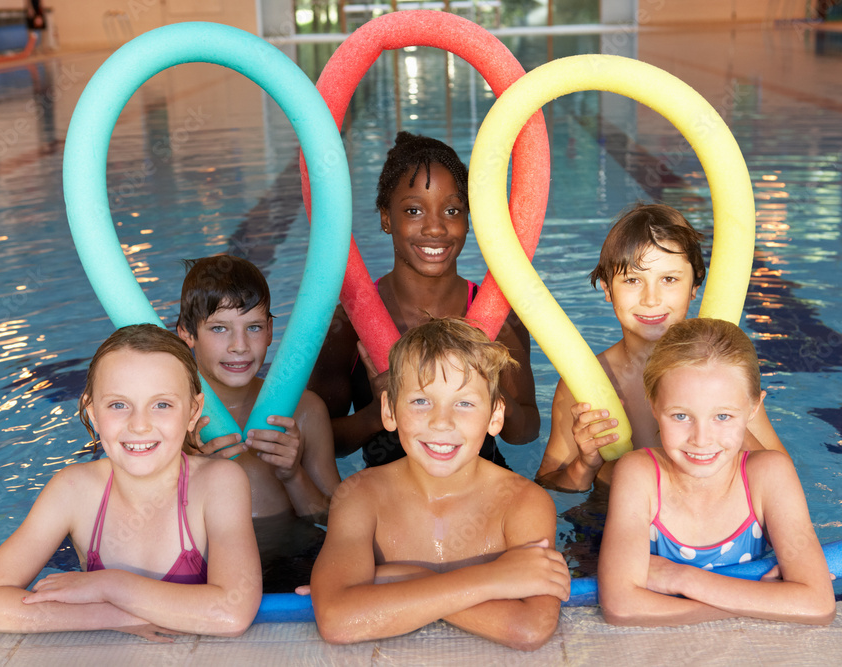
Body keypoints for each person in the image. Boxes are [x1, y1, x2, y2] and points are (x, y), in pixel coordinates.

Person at [0, 325, 261, 639]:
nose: (140, 425)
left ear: (192, 411)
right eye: (119, 405)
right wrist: (112, 614)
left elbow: (232, 613)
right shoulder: (72, 491)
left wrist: (107, 585)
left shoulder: (218, 484)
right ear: (92, 412)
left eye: (162, 404)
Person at [309, 318, 570, 651]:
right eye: (421, 401)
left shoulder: (522, 502)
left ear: (495, 416)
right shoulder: (360, 496)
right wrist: (491, 578)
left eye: (464, 403)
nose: (441, 421)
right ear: (389, 410)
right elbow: (337, 620)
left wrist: (396, 578)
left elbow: (529, 629)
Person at [308, 131, 539, 468]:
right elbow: (321, 441)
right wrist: (380, 411)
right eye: (414, 211)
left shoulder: (496, 316)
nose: (435, 228)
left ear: (468, 220)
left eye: (452, 210)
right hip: (391, 502)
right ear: (387, 218)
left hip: (481, 496)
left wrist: (490, 390)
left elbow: (526, 432)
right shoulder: (350, 325)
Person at [597, 318, 835, 626]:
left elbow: (817, 605)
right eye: (681, 415)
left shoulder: (769, 475)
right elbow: (621, 607)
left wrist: (682, 579)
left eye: (722, 416)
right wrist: (763, 600)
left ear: (752, 409)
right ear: (653, 405)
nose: (701, 439)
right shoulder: (639, 474)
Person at [537, 204, 787, 492]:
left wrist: (728, 421)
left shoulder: (725, 372)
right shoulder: (584, 383)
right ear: (607, 288)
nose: (651, 299)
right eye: (632, 280)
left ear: (695, 285)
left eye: (669, 279)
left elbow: (781, 479)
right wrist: (585, 464)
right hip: (608, 518)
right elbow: (548, 486)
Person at [176, 255, 340, 524]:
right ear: (187, 332)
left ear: (270, 331)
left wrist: (293, 475)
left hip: (295, 556)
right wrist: (189, 476)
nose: (239, 346)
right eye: (219, 328)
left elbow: (336, 521)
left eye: (253, 327)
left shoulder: (306, 411)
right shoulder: (171, 418)